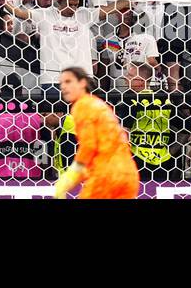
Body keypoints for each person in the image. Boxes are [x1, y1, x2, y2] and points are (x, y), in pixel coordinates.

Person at [52, 66, 139, 200]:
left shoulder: (82, 106)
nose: (63, 87)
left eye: (68, 82)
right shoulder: (103, 107)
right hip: (128, 173)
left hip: (106, 176)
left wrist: (70, 177)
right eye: (61, 83)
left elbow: (89, 147)